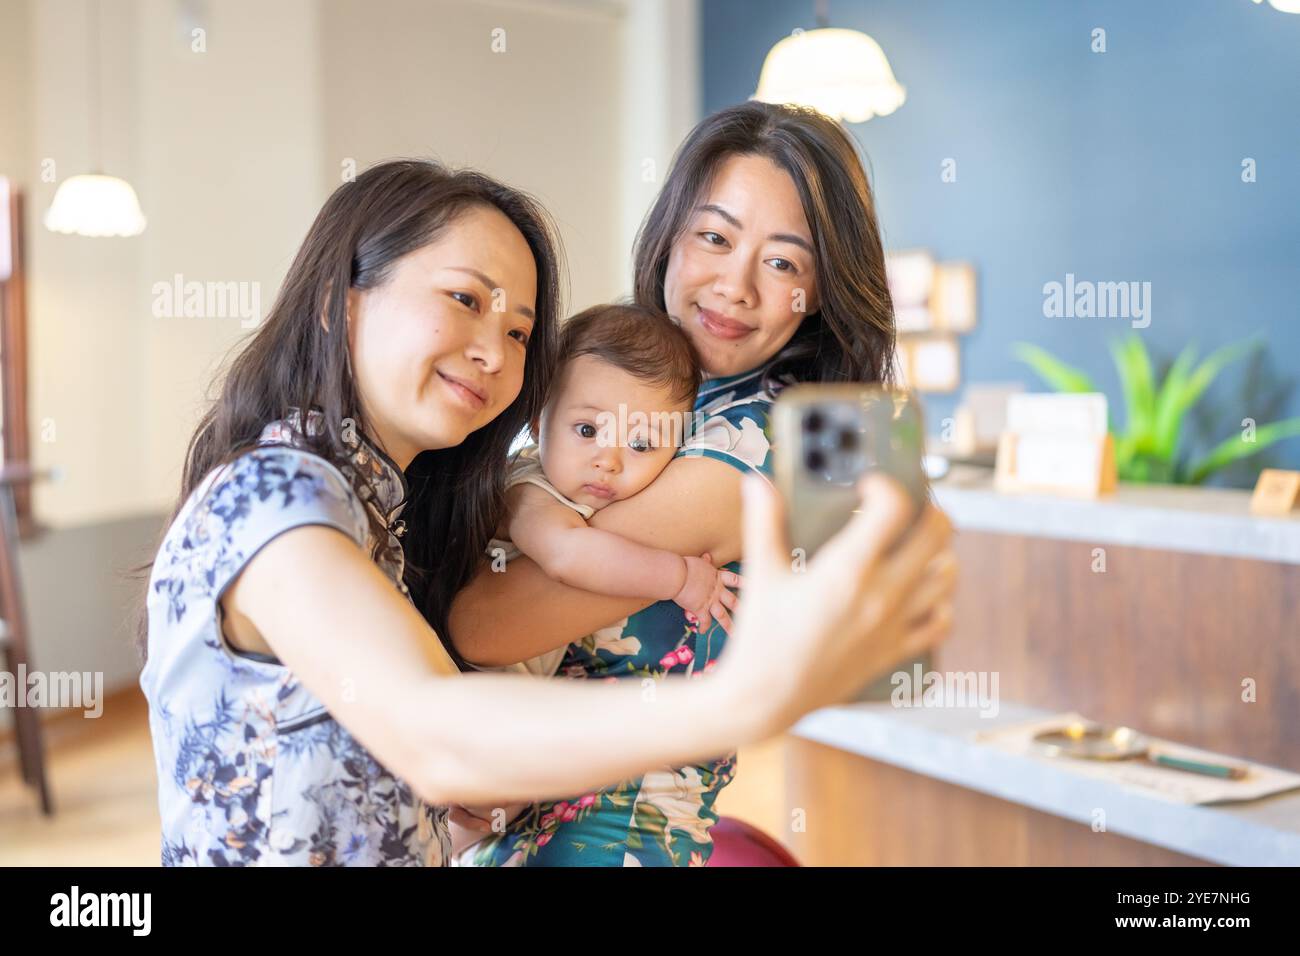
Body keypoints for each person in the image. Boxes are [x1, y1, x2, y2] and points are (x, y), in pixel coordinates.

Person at [138, 157, 954, 867]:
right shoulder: (277, 497)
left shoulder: (369, 505)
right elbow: (432, 730)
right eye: (464, 299)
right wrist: (742, 699)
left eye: (521, 330)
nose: (496, 352)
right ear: (339, 302)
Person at [448, 101, 934, 866]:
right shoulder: (640, 393)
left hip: (605, 838)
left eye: (783, 262)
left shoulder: (753, 446)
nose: (735, 286)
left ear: (823, 290)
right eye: (714, 237)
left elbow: (483, 623)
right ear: (670, 237)